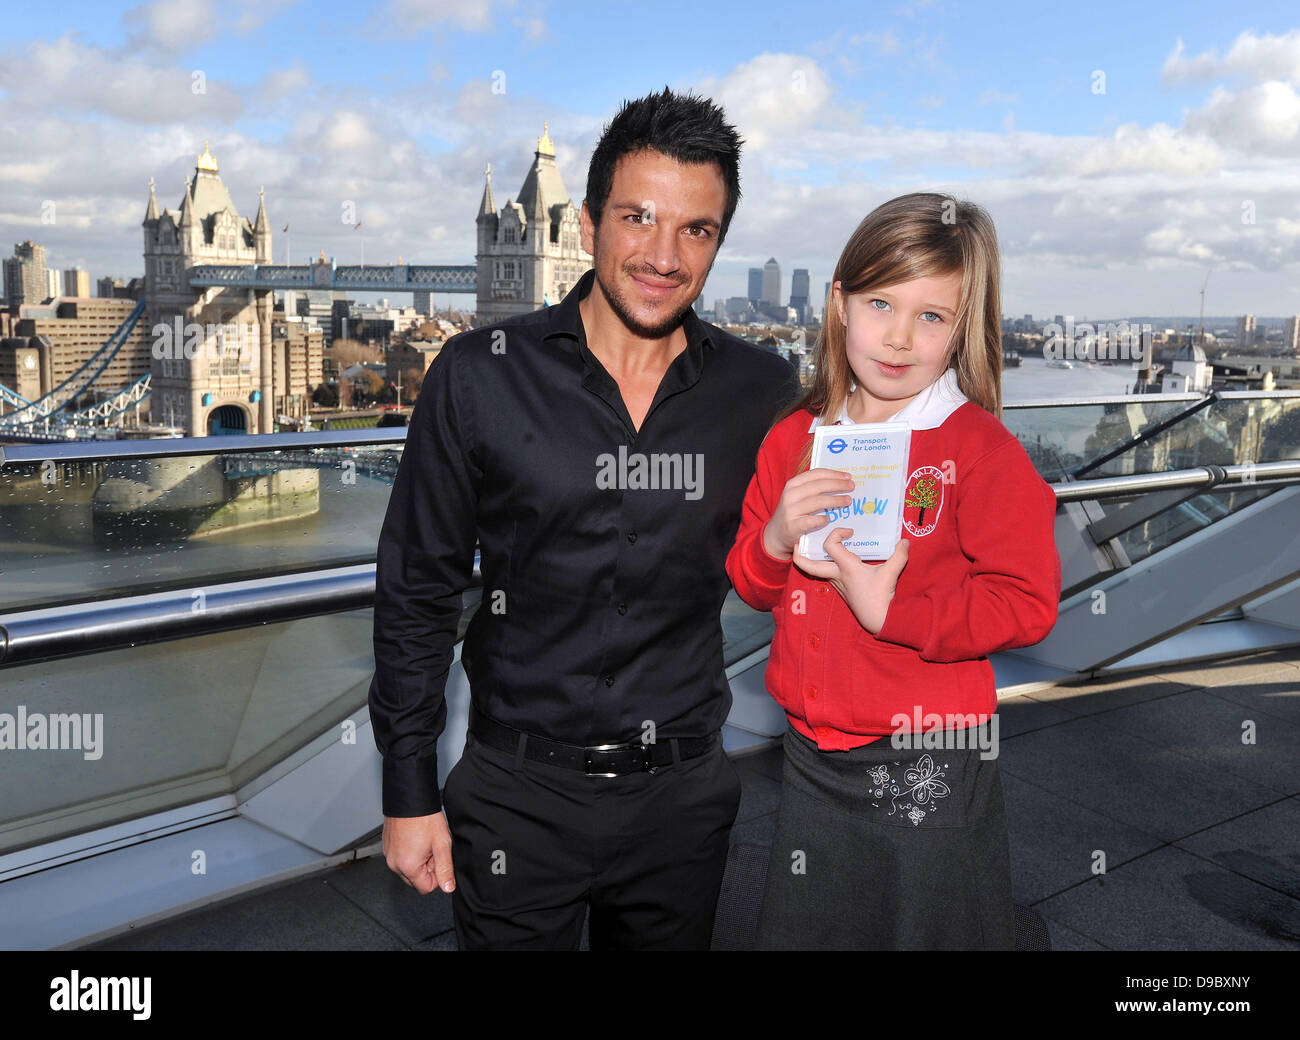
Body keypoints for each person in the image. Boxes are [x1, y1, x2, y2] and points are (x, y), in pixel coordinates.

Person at [368, 87, 801, 950]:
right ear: (589, 219)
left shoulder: (762, 392)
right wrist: (409, 790)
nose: (664, 254)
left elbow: (798, 561)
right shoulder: (478, 374)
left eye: (697, 230)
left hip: (682, 803)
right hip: (516, 796)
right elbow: (419, 589)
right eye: (638, 217)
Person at [725, 192, 1061, 950]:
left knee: (930, 926)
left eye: (932, 316)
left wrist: (896, 611)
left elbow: (1027, 602)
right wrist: (775, 538)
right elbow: (748, 584)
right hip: (811, 754)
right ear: (839, 304)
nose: (901, 337)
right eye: (881, 303)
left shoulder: (978, 451)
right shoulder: (792, 440)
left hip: (927, 754)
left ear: (961, 329)